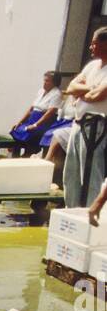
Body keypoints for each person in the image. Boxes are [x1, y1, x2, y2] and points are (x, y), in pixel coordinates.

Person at [63, 27, 107, 209]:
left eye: (94, 43)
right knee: (71, 174)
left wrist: (84, 91)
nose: (90, 47)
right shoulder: (91, 66)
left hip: (96, 125)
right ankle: (71, 212)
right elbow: (71, 87)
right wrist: (91, 88)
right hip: (78, 123)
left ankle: (90, 215)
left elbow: (97, 96)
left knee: (89, 175)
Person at [10, 71, 63, 154]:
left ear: (54, 83)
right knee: (16, 129)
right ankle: (16, 153)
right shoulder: (41, 91)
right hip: (32, 119)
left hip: (43, 122)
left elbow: (50, 113)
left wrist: (35, 125)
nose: (44, 83)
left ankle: (29, 154)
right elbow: (31, 109)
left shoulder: (56, 94)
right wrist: (20, 122)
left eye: (47, 81)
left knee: (31, 134)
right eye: (44, 80)